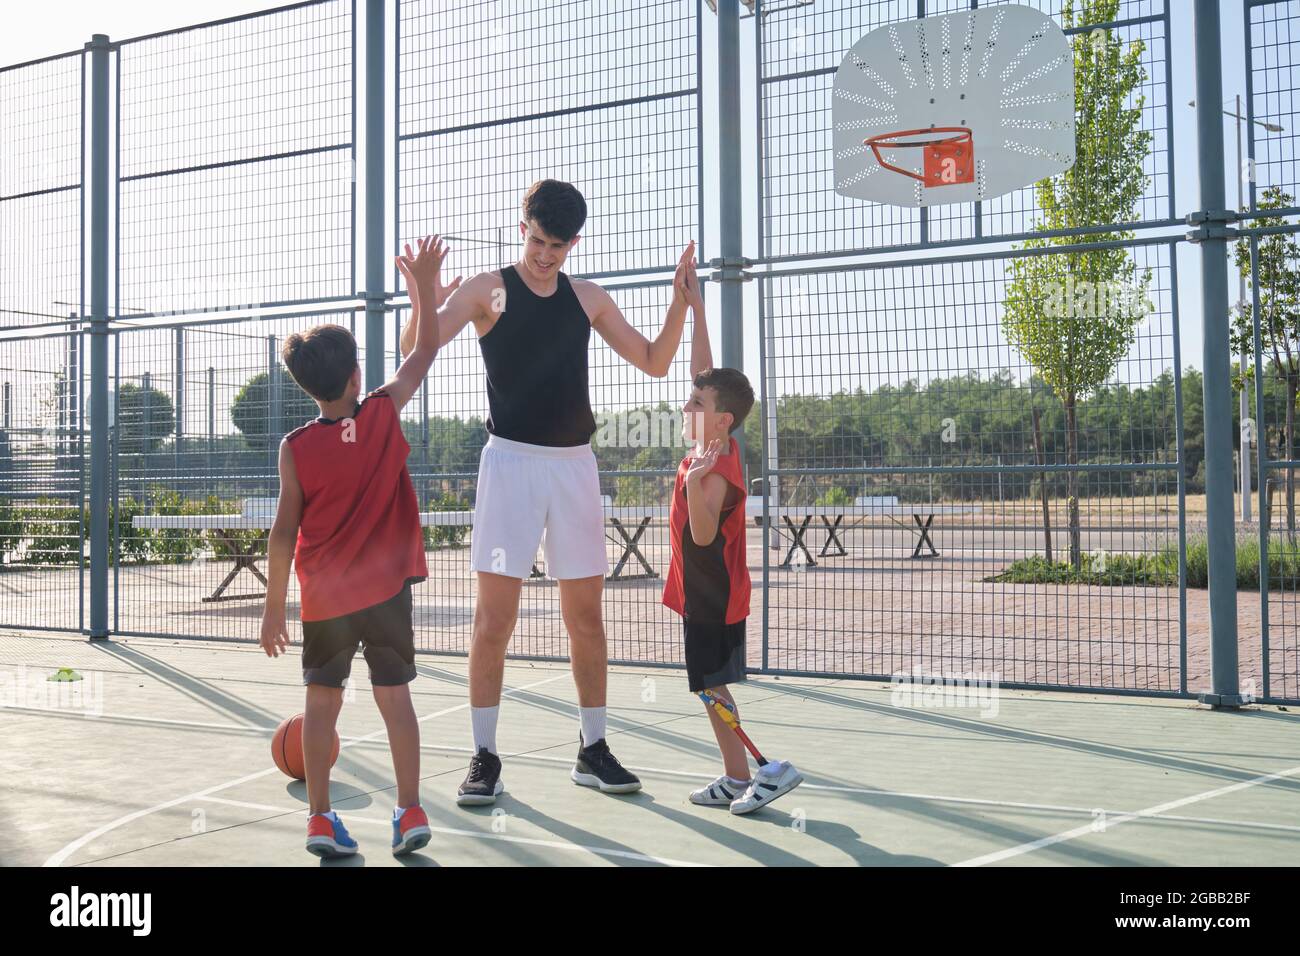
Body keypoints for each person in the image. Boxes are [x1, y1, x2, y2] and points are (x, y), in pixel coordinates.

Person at [400, 179, 698, 804]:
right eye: (537, 241)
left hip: (573, 468)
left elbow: (653, 360)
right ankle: (484, 756)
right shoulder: (490, 289)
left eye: (557, 246)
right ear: (522, 227)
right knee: (495, 620)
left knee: (586, 618)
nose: (544, 255)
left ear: (573, 244)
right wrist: (424, 297)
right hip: (509, 466)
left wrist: (681, 304)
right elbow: (416, 352)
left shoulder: (586, 298)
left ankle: (593, 748)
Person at [260, 236, 452, 856]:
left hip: (324, 599)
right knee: (394, 698)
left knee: (321, 705)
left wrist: (271, 607)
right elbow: (425, 348)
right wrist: (422, 284)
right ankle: (410, 810)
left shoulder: (295, 448)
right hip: (385, 591)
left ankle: (319, 818)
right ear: (355, 376)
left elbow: (284, 532)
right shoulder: (381, 414)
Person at [663, 255, 803, 814]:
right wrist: (696, 307)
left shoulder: (715, 467)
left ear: (720, 420)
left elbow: (701, 536)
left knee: (710, 684)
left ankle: (768, 770)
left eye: (695, 404)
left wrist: (696, 486)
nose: (685, 403)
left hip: (712, 595)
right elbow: (706, 374)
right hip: (704, 594)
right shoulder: (712, 441)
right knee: (707, 685)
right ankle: (734, 773)